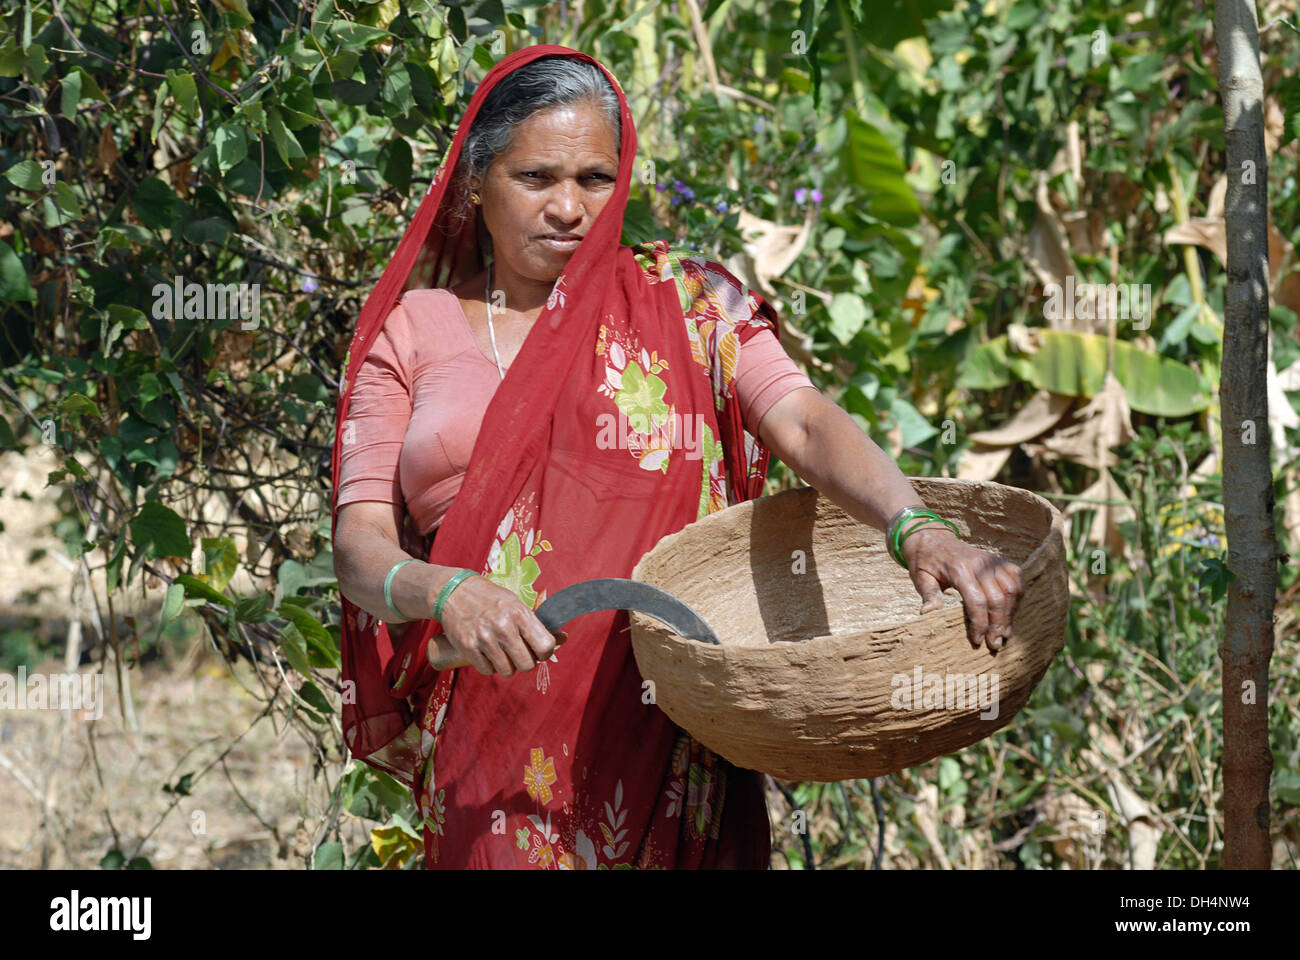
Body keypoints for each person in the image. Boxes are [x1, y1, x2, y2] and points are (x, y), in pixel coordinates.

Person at [331, 45, 1023, 869]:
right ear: (477, 181)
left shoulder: (688, 304)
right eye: (536, 177)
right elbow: (359, 548)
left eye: (595, 178)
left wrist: (918, 527)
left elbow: (804, 422)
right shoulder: (415, 330)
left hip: (671, 730)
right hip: (493, 748)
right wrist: (446, 592)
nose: (568, 207)